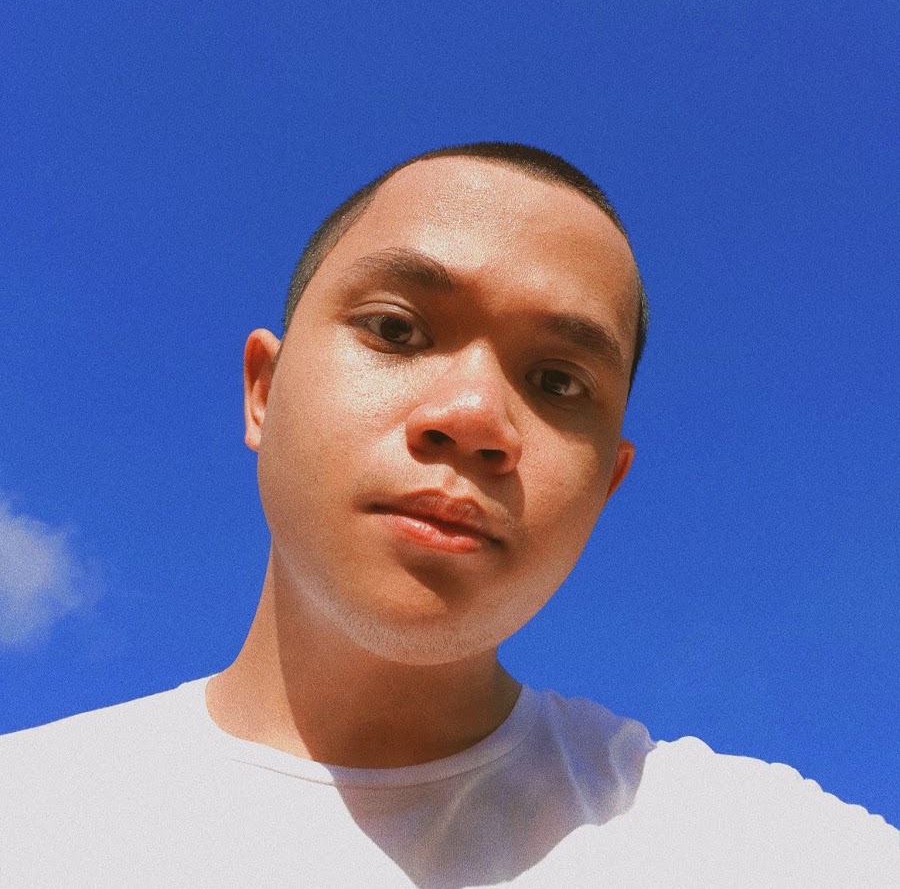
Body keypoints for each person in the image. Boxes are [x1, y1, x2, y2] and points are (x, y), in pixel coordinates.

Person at [1, 143, 897, 887]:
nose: (473, 417)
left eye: (557, 382)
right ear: (263, 392)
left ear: (606, 487)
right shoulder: (31, 817)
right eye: (396, 330)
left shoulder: (750, 851)